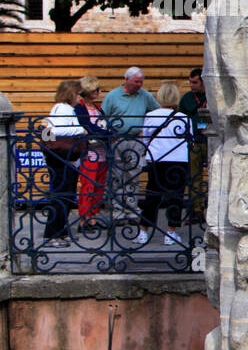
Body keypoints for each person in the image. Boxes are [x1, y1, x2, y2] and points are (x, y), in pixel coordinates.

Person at [101, 66, 161, 227]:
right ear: (126, 79)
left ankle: (132, 209)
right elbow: (102, 117)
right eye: (136, 82)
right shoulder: (113, 96)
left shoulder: (144, 96)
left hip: (135, 140)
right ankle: (118, 211)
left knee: (133, 175)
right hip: (117, 140)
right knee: (117, 175)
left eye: (141, 82)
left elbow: (158, 111)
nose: (139, 85)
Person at [140, 83, 192, 246]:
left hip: (157, 159)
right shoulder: (184, 118)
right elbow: (188, 139)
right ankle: (170, 232)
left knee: (152, 196)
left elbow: (146, 137)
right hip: (178, 160)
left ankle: (143, 231)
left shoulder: (151, 115)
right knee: (175, 197)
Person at [38, 80, 86, 247]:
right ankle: (51, 234)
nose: (81, 97)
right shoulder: (63, 108)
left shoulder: (65, 108)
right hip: (60, 158)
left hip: (63, 158)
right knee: (62, 195)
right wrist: (81, 130)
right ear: (72, 94)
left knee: (66, 195)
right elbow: (56, 131)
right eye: (79, 94)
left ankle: (61, 231)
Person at [73, 76, 111, 228]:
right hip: (89, 152)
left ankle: (93, 216)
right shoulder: (80, 108)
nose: (99, 92)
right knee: (88, 185)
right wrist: (106, 134)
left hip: (101, 151)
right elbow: (87, 126)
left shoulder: (97, 108)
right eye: (96, 90)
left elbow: (104, 125)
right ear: (89, 92)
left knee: (99, 186)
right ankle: (84, 218)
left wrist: (109, 132)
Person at [178, 68, 208, 227]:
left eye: (194, 82)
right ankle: (196, 210)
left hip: (211, 140)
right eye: (190, 82)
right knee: (194, 176)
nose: (191, 85)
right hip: (194, 141)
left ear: (203, 82)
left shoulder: (212, 96)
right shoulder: (187, 99)